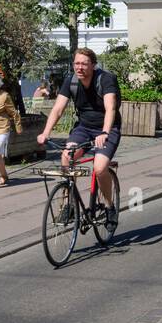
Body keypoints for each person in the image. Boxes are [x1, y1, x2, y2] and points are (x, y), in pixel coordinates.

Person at [37, 47, 120, 219]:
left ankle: (109, 206)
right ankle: (69, 204)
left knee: (99, 168)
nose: (79, 67)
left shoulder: (105, 79)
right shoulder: (71, 81)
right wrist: (45, 132)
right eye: (76, 63)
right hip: (83, 127)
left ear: (93, 65)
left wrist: (105, 132)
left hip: (108, 128)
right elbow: (58, 109)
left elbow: (110, 108)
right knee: (66, 157)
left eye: (84, 64)